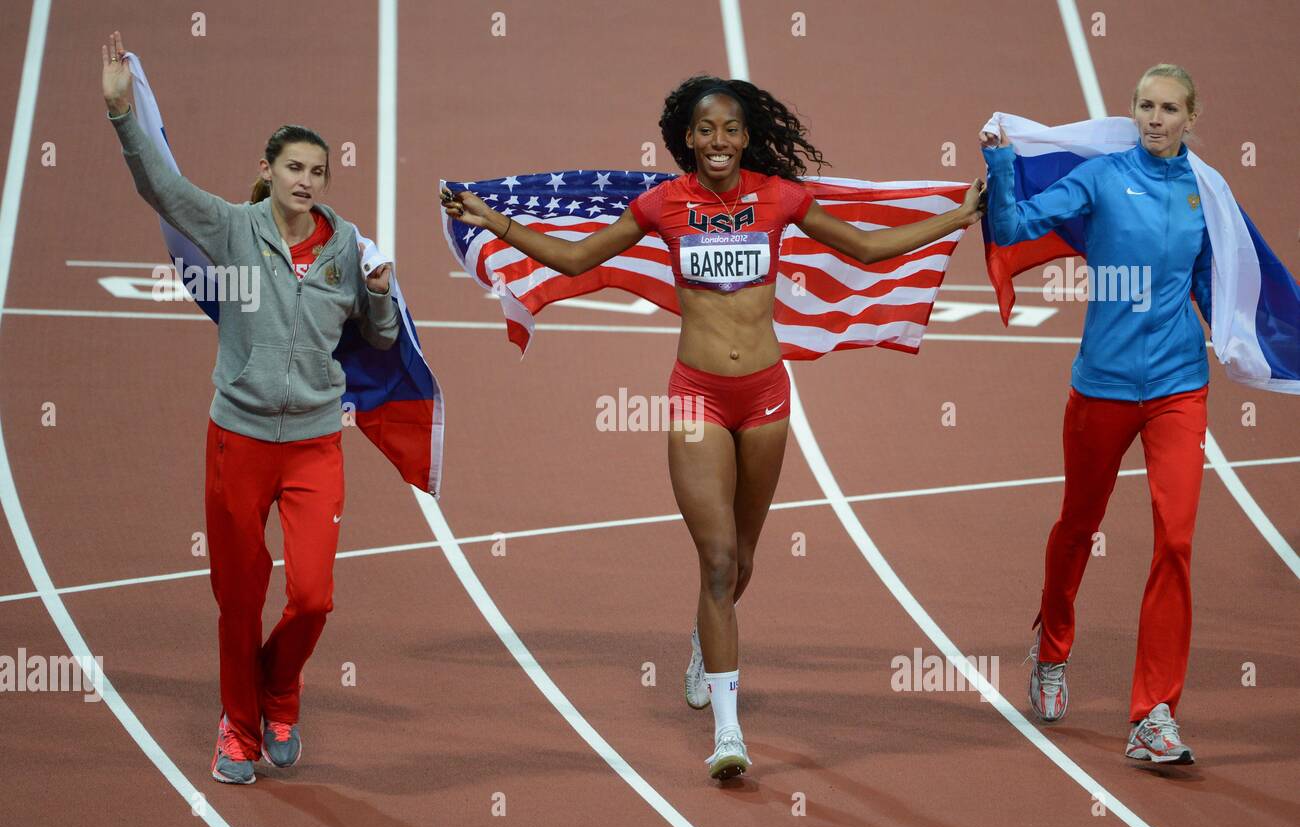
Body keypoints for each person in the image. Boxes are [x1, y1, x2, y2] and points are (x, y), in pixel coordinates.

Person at [444, 76, 984, 780]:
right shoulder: (663, 204)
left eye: (731, 128)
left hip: (765, 398)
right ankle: (729, 736)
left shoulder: (779, 197)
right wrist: (496, 223)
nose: (720, 141)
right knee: (720, 560)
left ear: (746, 136)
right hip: (696, 395)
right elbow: (580, 260)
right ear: (688, 139)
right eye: (706, 130)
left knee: (745, 558)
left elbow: (867, 250)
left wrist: (957, 217)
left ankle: (707, 638)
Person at [101, 31, 400, 784]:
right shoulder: (235, 228)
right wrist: (120, 116)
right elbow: (161, 188)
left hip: (312, 445)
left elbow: (381, 338)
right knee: (239, 599)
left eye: (317, 172)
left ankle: (280, 689)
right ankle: (238, 729)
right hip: (237, 438)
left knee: (312, 597)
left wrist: (380, 292)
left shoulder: (346, 246)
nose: (306, 180)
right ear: (267, 172)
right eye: (293, 167)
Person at [981, 64, 1215, 764]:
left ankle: (1154, 716)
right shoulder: (1104, 177)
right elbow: (1016, 224)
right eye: (1145, 105)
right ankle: (1052, 648)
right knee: (1079, 525)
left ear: (1190, 118)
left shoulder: (1209, 193)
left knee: (1175, 542)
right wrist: (997, 161)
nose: (1154, 118)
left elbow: (1216, 281)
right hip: (1104, 388)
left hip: (1179, 388)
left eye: (1169, 108)